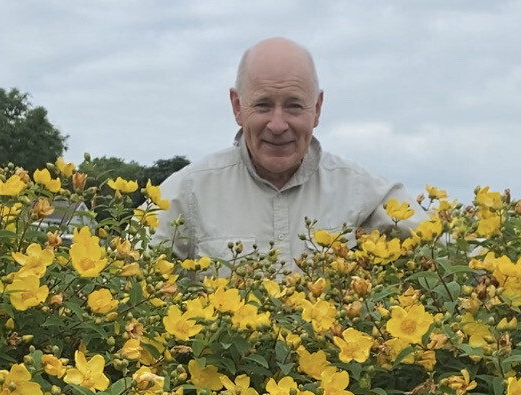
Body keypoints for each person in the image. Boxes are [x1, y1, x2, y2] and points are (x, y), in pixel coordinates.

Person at [151, 37, 423, 264]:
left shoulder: (363, 194)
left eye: (294, 105)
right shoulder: (186, 193)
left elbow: (448, 253)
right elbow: (123, 272)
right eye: (263, 105)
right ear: (237, 106)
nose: (278, 125)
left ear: (316, 108)